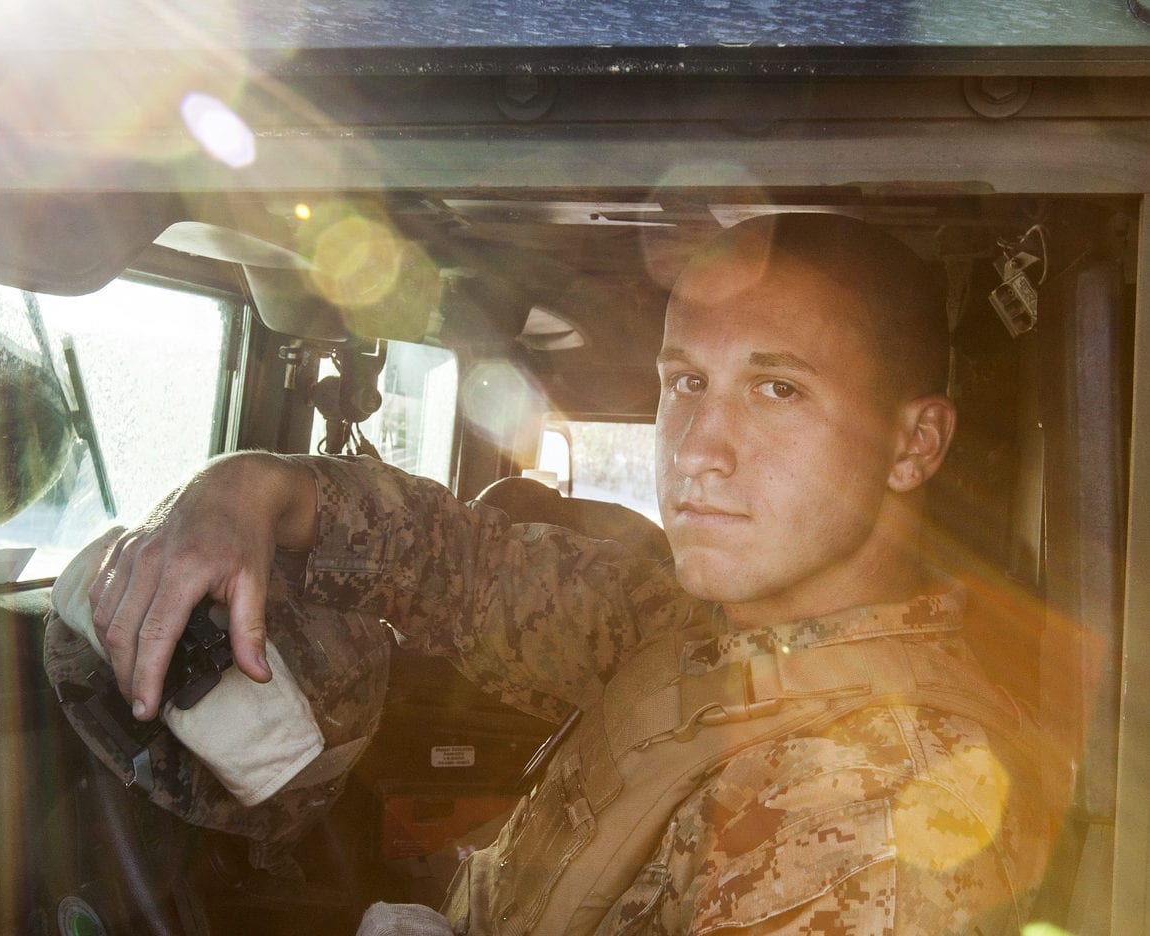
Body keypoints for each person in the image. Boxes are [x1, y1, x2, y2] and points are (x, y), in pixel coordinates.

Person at [79, 213, 1056, 934]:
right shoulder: (687, 620)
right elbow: (456, 566)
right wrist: (246, 489)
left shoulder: (882, 800)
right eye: (685, 383)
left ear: (911, 443)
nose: (700, 450)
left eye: (776, 387)